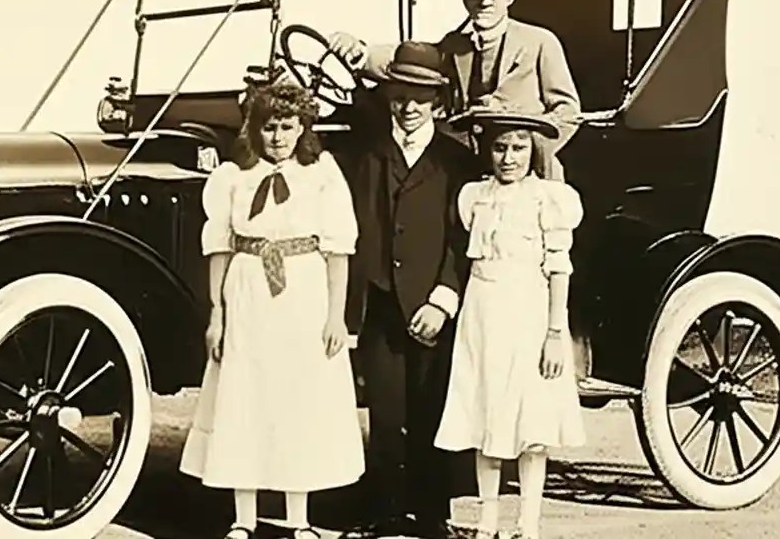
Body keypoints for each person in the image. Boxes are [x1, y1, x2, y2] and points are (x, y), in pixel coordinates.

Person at [179, 81, 364, 539]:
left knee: (296, 402)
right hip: (248, 292)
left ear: (302, 128)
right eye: (269, 128)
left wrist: (336, 315)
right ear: (254, 130)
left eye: (287, 127)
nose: (278, 137)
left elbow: (338, 251)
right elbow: (219, 248)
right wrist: (216, 314)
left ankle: (298, 518)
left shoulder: (321, 173)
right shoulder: (234, 177)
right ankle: (243, 518)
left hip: (303, 293)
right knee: (246, 398)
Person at [338, 41, 481, 539]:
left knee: (431, 407)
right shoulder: (368, 153)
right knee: (385, 409)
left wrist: (443, 299)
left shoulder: (456, 161)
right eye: (400, 95)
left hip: (430, 306)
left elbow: (463, 239)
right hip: (379, 300)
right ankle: (384, 511)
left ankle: (432, 514)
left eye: (420, 97)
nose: (409, 106)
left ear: (437, 104)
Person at [432, 103, 587, 539]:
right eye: (500, 148)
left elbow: (558, 268)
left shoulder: (547, 199)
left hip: (529, 313)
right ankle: (487, 520)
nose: (509, 157)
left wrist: (555, 333)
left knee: (529, 420)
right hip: (482, 312)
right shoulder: (474, 197)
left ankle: (529, 523)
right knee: (487, 414)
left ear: (532, 150)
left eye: (519, 147)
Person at [326, 0, 582, 180]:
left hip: (530, 178)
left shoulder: (540, 42)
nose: (484, 2)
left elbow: (568, 112)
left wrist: (527, 148)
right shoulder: (454, 46)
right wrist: (362, 53)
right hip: (469, 172)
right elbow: (415, 57)